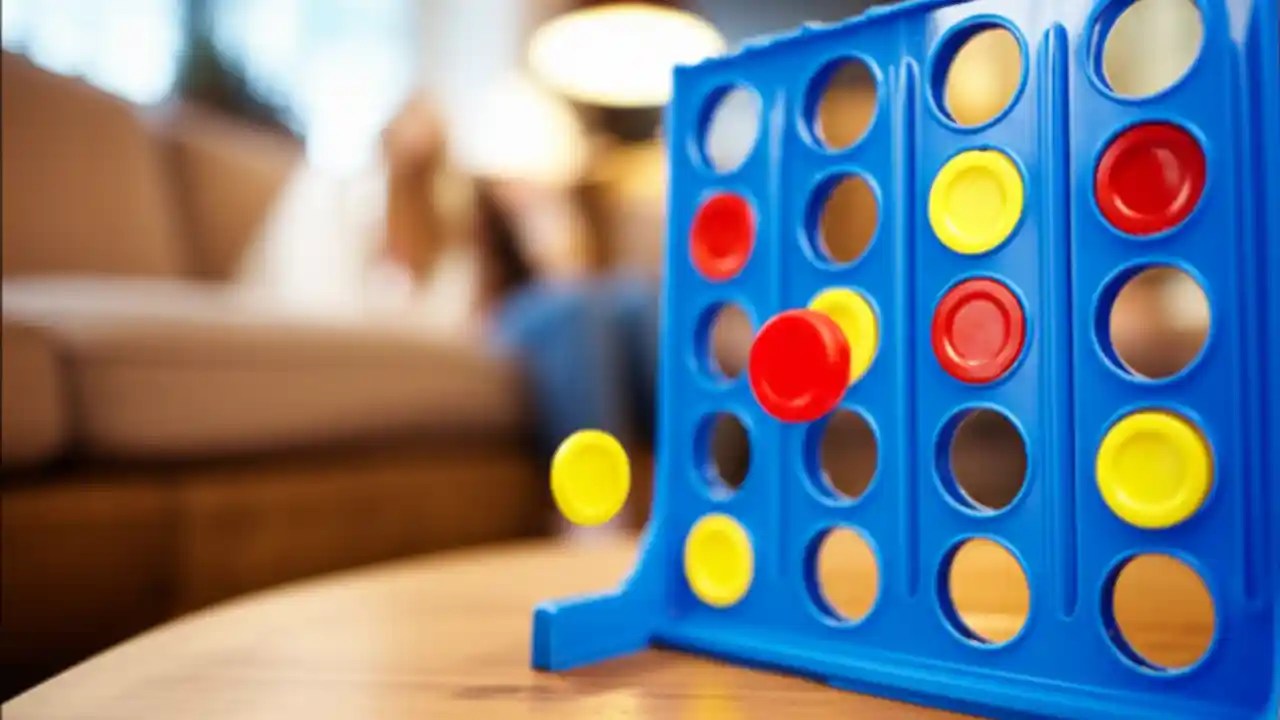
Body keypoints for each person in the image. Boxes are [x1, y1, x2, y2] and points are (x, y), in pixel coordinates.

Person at [380, 98, 658, 458]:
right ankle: (594, 489)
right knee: (571, 310)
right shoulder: (374, 213)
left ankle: (689, 472)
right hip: (478, 326)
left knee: (635, 298)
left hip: (520, 308)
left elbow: (569, 273)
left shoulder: (476, 200)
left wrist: (537, 210)